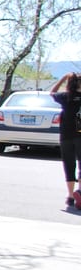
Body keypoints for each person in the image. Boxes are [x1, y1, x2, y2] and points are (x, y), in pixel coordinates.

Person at [50, 72, 81, 206]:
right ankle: (79, 191)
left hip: (65, 136)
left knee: (69, 164)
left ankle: (70, 195)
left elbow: (52, 92)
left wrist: (62, 78)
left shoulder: (65, 97)